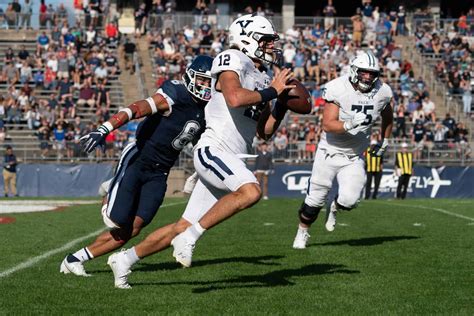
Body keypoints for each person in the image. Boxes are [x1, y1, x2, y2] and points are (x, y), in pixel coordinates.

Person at [106, 14, 294, 289]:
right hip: (214, 149)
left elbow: (264, 132)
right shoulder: (232, 58)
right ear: (247, 39)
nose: (269, 47)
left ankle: (124, 260)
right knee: (251, 191)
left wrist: (281, 105)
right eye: (265, 41)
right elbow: (234, 97)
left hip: (233, 156)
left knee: (181, 225)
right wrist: (272, 93)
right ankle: (191, 238)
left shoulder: (262, 76)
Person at [59, 56, 214, 277]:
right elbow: (138, 108)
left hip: (160, 171)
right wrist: (105, 128)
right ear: (190, 76)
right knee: (114, 219)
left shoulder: (209, 108)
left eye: (210, 82)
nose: (206, 87)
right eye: (203, 81)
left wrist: (200, 172)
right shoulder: (175, 93)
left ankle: (75, 259)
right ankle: (113, 186)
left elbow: (201, 143)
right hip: (139, 158)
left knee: (132, 228)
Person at [292, 51, 394, 249]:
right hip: (329, 152)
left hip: (354, 156)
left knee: (349, 199)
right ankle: (302, 232)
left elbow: (388, 115)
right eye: (364, 73)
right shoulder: (338, 87)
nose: (368, 77)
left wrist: (385, 140)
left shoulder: (383, 91)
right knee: (314, 200)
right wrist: (349, 124)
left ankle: (335, 207)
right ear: (355, 71)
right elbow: (328, 125)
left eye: (372, 74)